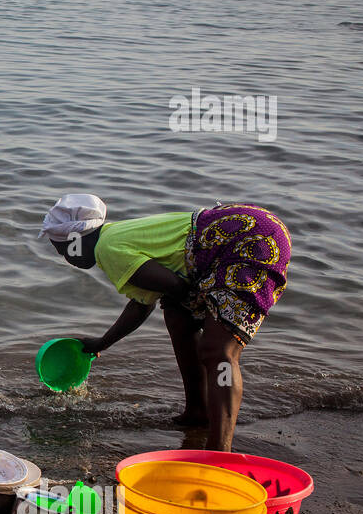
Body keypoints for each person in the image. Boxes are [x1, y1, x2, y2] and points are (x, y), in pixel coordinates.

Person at [39, 194, 291, 453]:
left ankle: (219, 451)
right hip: (243, 229)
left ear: (75, 240)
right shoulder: (113, 236)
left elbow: (170, 287)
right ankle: (198, 411)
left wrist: (210, 316)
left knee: (219, 353)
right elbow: (148, 298)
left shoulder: (107, 249)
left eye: (64, 250)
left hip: (249, 239)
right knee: (177, 315)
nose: (66, 257)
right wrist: (103, 342)